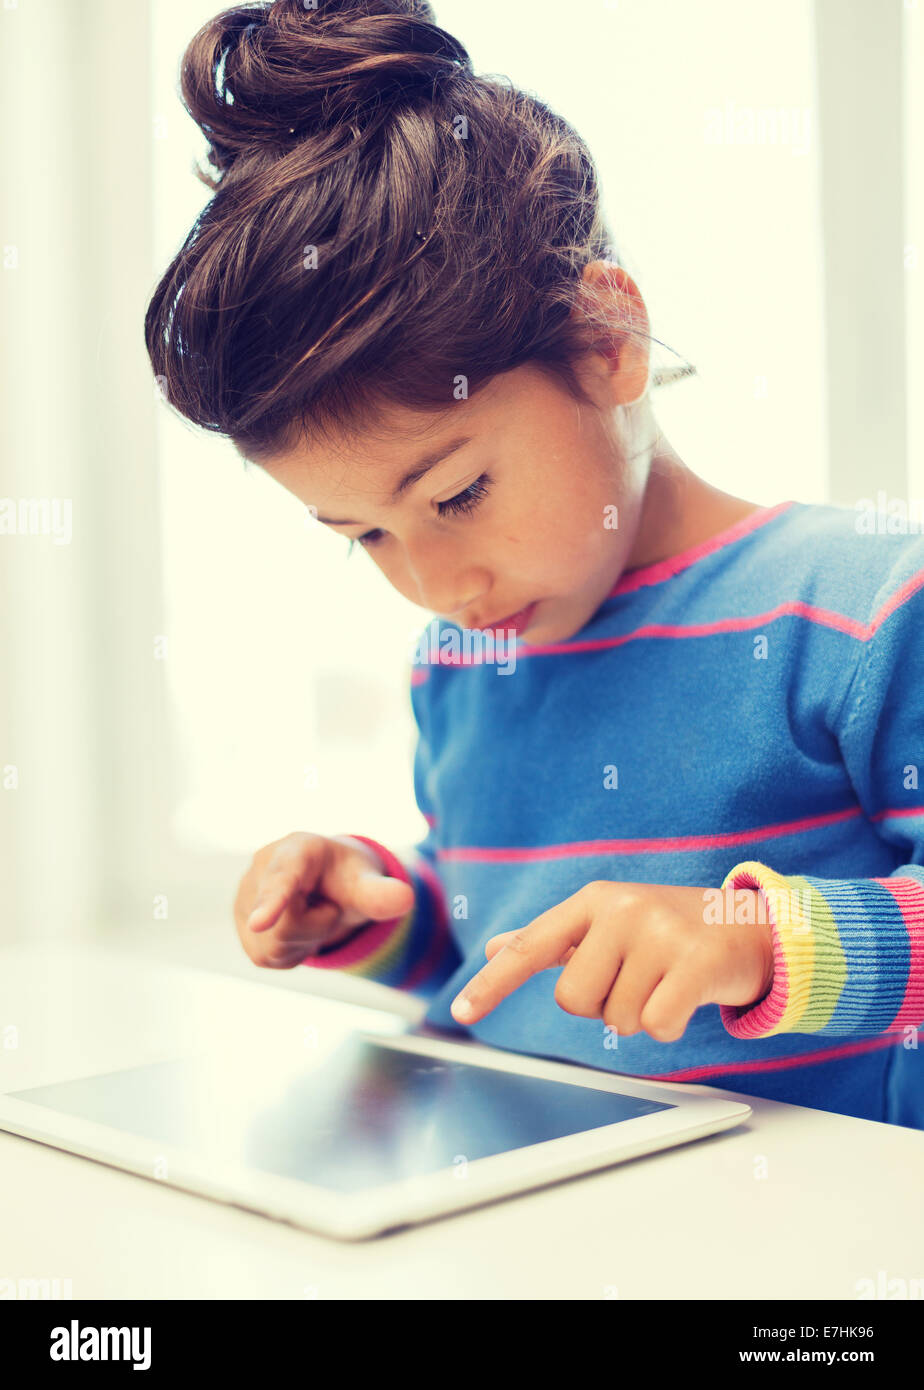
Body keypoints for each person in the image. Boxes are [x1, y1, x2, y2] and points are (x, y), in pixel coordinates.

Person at [146, 0, 924, 1128]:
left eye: (457, 493)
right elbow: (492, 942)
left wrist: (760, 944)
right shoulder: (465, 658)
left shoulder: (862, 605)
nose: (434, 585)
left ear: (606, 341)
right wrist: (377, 909)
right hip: (517, 1219)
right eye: (364, 534)